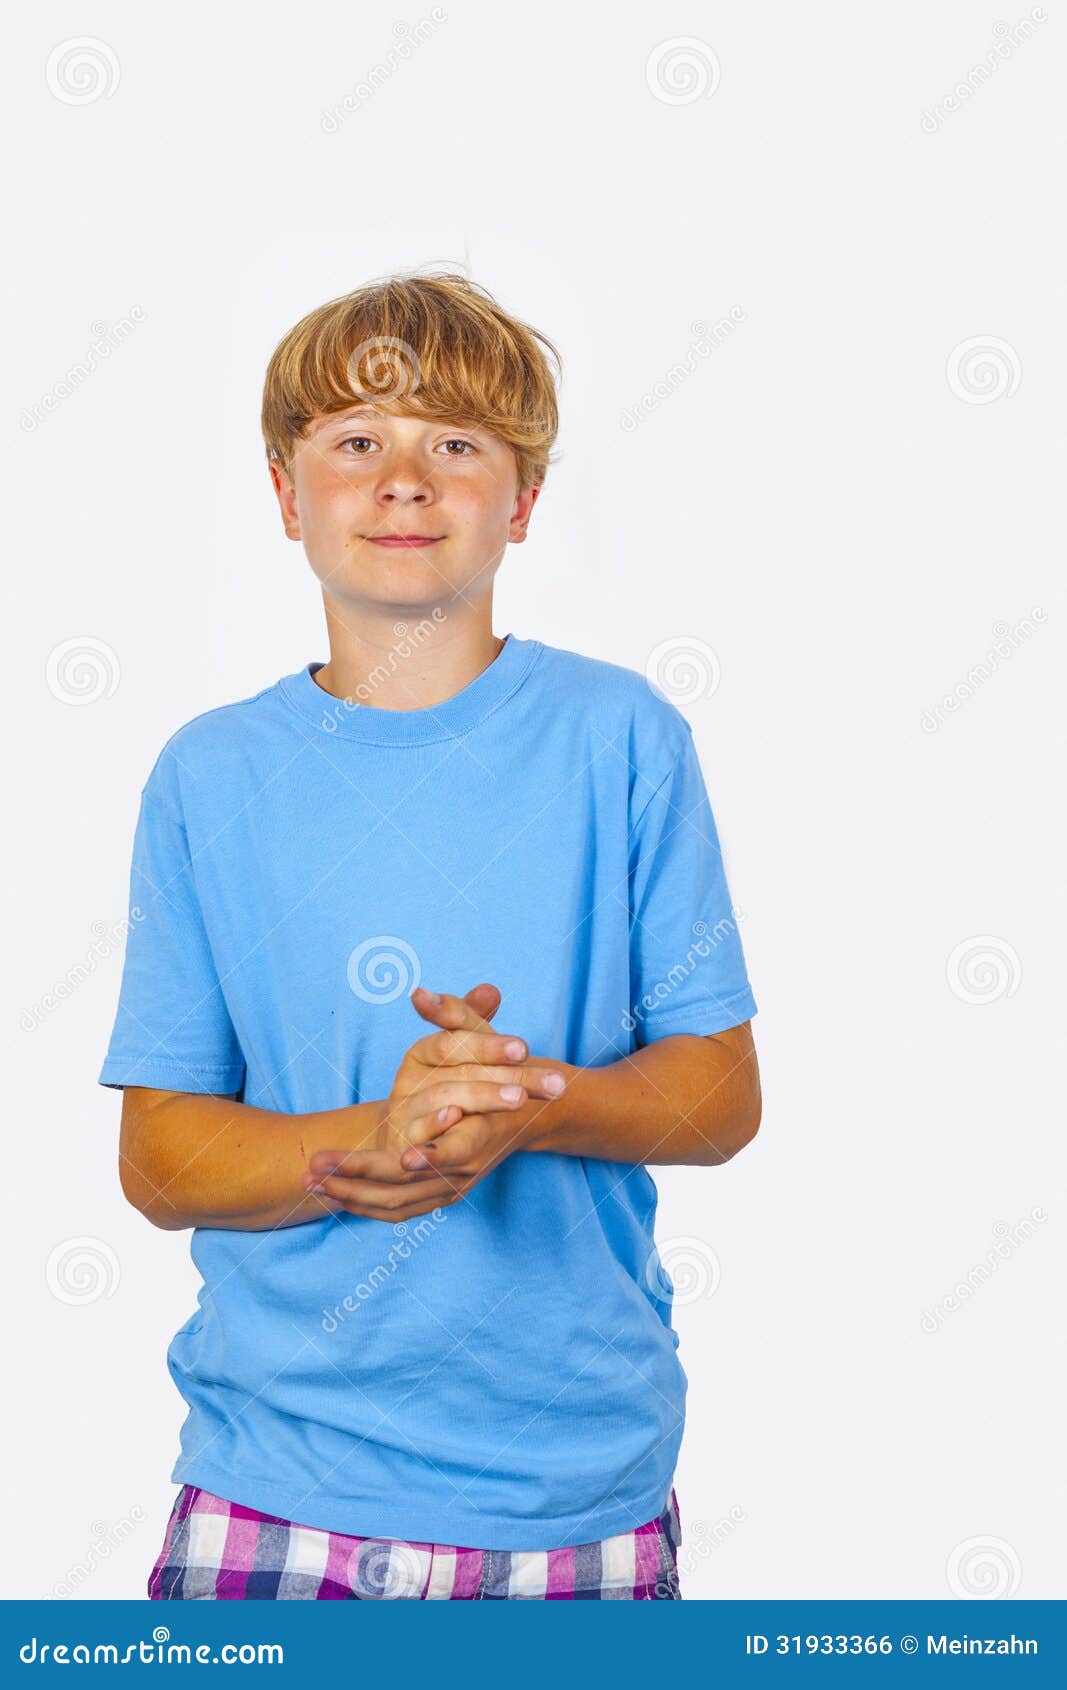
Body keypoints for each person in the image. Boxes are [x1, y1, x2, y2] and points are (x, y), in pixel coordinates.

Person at [100, 270, 762, 1600]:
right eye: (357, 443)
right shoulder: (207, 777)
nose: (405, 479)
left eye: (455, 444)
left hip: (574, 1494)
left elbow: (719, 1097)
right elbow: (162, 1157)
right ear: (287, 496)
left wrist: (533, 1100)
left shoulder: (622, 740)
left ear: (522, 501)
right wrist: (368, 1142)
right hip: (274, 1487)